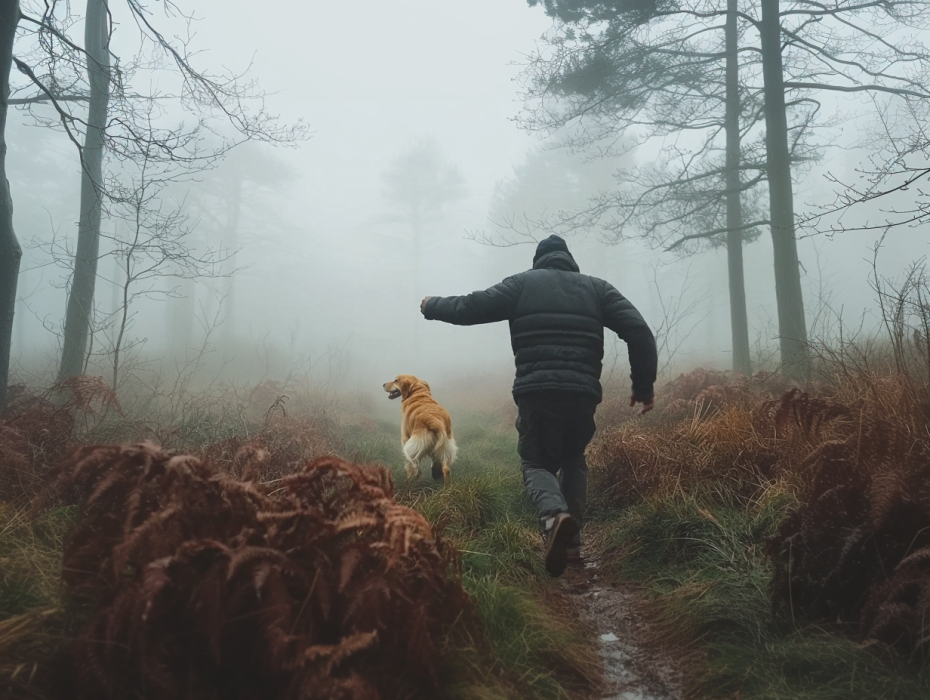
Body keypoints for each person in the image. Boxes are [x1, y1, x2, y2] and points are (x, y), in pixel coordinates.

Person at [420, 234, 657, 577]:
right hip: (583, 393)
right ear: (570, 261)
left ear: (538, 261)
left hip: (537, 391)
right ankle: (571, 545)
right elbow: (639, 331)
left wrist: (432, 306)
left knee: (535, 462)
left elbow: (471, 307)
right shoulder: (597, 289)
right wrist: (643, 386)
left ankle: (553, 516)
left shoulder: (521, 285)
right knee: (573, 457)